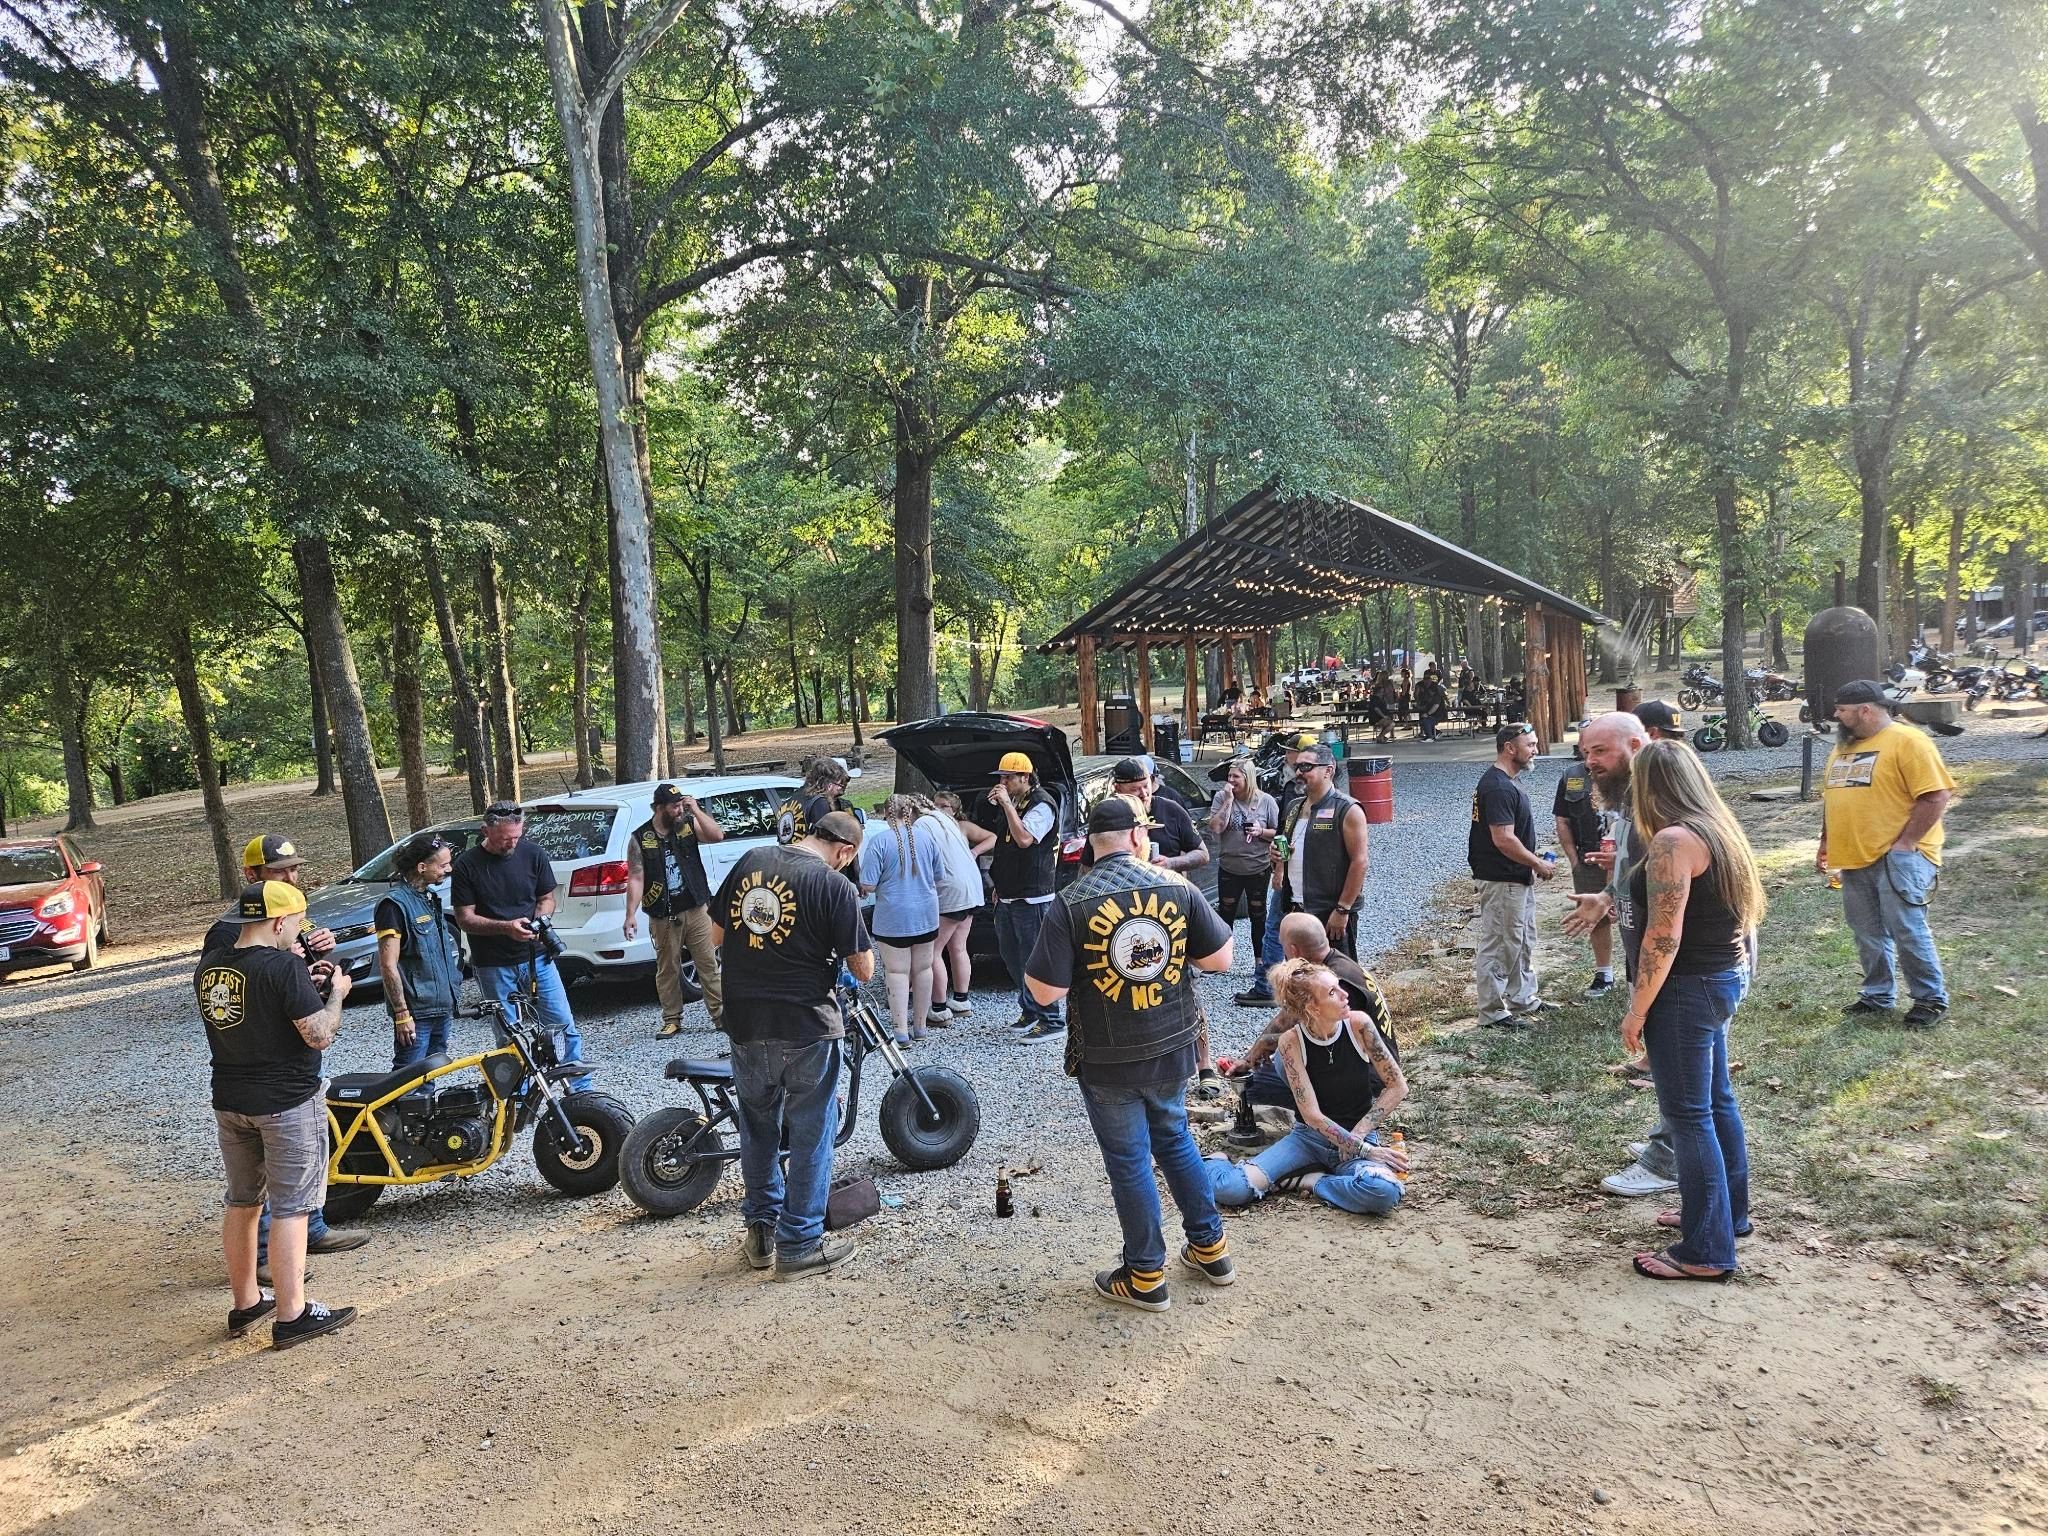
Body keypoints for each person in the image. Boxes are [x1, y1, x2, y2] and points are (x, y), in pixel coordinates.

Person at [1024, 797, 1238, 1310]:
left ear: (1091, 847)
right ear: (1138, 837)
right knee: (1175, 1138)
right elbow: (1222, 960)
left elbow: (1044, 994)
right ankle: (1211, 1248)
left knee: (1129, 1161)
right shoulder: (1176, 885)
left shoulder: (1071, 900)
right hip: (1172, 1043)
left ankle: (1145, 1275)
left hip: (1108, 1053)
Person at [1608, 740, 1765, 1281]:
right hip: (1720, 980)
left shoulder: (1673, 841)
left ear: (1649, 787)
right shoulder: (1717, 828)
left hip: (1687, 990)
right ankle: (1724, 1216)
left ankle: (1704, 1250)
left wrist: (1636, 1010)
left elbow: (1663, 936)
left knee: (1688, 1117)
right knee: (1716, 1104)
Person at [712, 810, 875, 1278]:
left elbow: (718, 934)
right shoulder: (835, 886)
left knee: (758, 1129)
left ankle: (761, 1232)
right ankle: (799, 1243)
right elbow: (862, 969)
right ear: (845, 851)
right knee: (811, 1134)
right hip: (807, 1024)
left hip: (745, 1020)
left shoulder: (751, 860)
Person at [197, 880, 357, 1348]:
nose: (298, 934)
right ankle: (293, 1313)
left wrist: (306, 989)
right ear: (280, 921)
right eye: (296, 924)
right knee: (293, 1207)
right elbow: (319, 1034)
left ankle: (246, 1302)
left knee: (243, 1202)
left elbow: (255, 1011)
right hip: (287, 1102)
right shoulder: (284, 966)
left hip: (231, 1101)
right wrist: (337, 994)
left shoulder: (211, 966)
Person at [1564, 711, 1681, 1199]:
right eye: (1586, 751)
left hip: (1682, 967)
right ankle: (1669, 1143)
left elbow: (1672, 912)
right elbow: (1643, 871)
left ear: (1640, 744)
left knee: (1684, 1074)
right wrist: (1609, 897)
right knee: (1679, 1070)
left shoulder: (1666, 806)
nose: (1590, 762)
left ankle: (1668, 1162)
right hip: (1659, 962)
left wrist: (1639, 1004)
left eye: (1600, 751)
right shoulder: (1633, 801)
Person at [1206, 958, 1409, 1216]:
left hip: (1357, 1134)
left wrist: (1358, 1139)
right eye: (1333, 992)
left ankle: (1309, 1181)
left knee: (1383, 1192)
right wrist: (1364, 1150)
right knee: (1232, 1189)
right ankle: (1216, 1162)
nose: (1345, 995)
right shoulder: (1291, 1043)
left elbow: (1397, 1086)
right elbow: (1312, 1115)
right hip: (1308, 1140)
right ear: (1312, 1007)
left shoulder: (1360, 1025)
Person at [1819, 680, 1955, 1029]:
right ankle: (1877, 996)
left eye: (1842, 709)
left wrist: (1906, 843)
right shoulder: (1843, 748)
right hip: (1854, 855)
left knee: (1906, 928)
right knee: (1866, 931)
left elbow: (1936, 796)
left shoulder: (1909, 741)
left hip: (1899, 856)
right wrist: (1826, 841)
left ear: (1865, 710)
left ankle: (1929, 999)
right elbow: (1835, 797)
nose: (1836, 715)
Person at [452, 802, 592, 1091]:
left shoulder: (533, 854)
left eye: (517, 836)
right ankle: (520, 1095)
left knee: (563, 1025)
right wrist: (505, 927)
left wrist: (540, 919)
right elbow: (465, 918)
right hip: (492, 963)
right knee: (508, 1037)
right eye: (505, 838)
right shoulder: (467, 865)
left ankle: (579, 1092)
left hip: (536, 958)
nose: (512, 844)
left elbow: (547, 898)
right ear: (485, 830)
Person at [1470, 722, 1558, 1027]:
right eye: (1530, 745)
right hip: (1501, 878)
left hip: (1516, 878)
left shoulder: (1508, 782)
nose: (1535, 750)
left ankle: (1523, 998)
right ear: (1510, 748)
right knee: (1500, 943)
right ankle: (1491, 1012)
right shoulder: (1497, 787)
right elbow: (1503, 839)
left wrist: (1531, 864)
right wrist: (1537, 863)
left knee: (1521, 940)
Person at [974, 750, 1065, 1043]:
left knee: (1036, 960)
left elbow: (1025, 839)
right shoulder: (1013, 803)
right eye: (1000, 777)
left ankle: (1051, 1019)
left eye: (1007, 777)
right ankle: (1031, 1009)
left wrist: (1006, 807)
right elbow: (1006, 846)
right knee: (1012, 958)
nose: (1002, 782)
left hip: (1034, 897)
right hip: (1010, 894)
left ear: (1025, 777)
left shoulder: (1042, 805)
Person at [623, 783, 726, 1042]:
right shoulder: (640, 837)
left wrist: (697, 810)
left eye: (681, 804)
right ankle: (672, 1020)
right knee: (667, 968)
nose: (679, 809)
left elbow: (717, 836)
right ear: (659, 808)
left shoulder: (688, 825)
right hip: (662, 913)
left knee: (708, 963)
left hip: (696, 906)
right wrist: (630, 914)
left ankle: (721, 1016)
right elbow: (636, 877)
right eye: (675, 806)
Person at [1234, 732, 1319, 1005]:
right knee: (1282, 929)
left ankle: (1270, 988)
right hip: (1290, 874)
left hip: (1305, 879)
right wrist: (1278, 865)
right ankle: (1283, 985)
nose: (1286, 757)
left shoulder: (1304, 790)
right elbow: (1284, 833)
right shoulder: (1293, 789)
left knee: (1278, 930)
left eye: (1290, 753)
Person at [858, 795, 944, 1045]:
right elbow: (938, 875)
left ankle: (900, 1030)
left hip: (893, 916)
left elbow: (868, 884)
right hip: (926, 914)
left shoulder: (879, 842)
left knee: (897, 971)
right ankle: (920, 1027)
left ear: (886, 813)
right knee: (923, 969)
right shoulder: (927, 838)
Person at [374, 832, 463, 1069]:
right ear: (422, 867)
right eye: (443, 865)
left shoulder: (429, 898)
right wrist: (402, 1014)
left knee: (432, 1073)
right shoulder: (393, 905)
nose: (449, 869)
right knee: (407, 1077)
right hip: (417, 1012)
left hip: (441, 1006)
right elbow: (388, 964)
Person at [1276, 743, 1370, 960]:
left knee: (1337, 977)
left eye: (1307, 767)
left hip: (1330, 912)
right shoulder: (1294, 807)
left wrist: (1343, 909)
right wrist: (1279, 859)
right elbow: (1290, 848)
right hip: (1296, 906)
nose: (1299, 772)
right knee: (1300, 977)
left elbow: (1360, 862)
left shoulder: (1347, 809)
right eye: (1297, 766)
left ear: (1329, 770)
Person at [924, 792, 993, 1024]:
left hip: (954, 894)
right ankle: (961, 1001)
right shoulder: (943, 827)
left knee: (933, 950)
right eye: (936, 805)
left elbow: (992, 837)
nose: (939, 809)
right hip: (970, 890)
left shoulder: (959, 826)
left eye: (944, 806)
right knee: (957, 947)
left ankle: (939, 1006)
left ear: (955, 808)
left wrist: (975, 852)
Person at [1554, 745, 1616, 998]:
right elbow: (1562, 819)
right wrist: (1573, 860)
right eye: (1587, 747)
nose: (1592, 755)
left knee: (1635, 913)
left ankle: (1640, 970)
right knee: (1596, 916)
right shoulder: (1572, 776)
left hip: (1627, 857)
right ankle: (1604, 973)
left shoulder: (1628, 772)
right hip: (1588, 857)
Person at [1207, 759, 1279, 965]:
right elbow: (1216, 827)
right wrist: (1228, 801)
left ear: (1248, 778)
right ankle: (1221, 960)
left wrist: (1261, 831)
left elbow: (1279, 833)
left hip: (1257, 866)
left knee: (1258, 914)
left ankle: (1260, 961)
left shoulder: (1266, 801)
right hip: (1229, 866)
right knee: (1225, 914)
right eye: (1229, 776)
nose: (1230, 780)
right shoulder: (1222, 797)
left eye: (1235, 776)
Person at [776, 756, 854, 845]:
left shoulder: (788, 802)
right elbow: (825, 840)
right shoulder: (819, 803)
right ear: (829, 784)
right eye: (839, 785)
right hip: (808, 857)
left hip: (786, 856)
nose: (840, 790)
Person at [1414, 669, 1447, 741]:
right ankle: (1435, 733)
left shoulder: (1437, 690)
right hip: (1431, 712)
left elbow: (1436, 705)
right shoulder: (1423, 687)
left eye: (1428, 678)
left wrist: (1428, 714)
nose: (1426, 681)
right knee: (1423, 719)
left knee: (1427, 720)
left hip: (1439, 713)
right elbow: (1426, 701)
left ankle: (1430, 737)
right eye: (1425, 679)